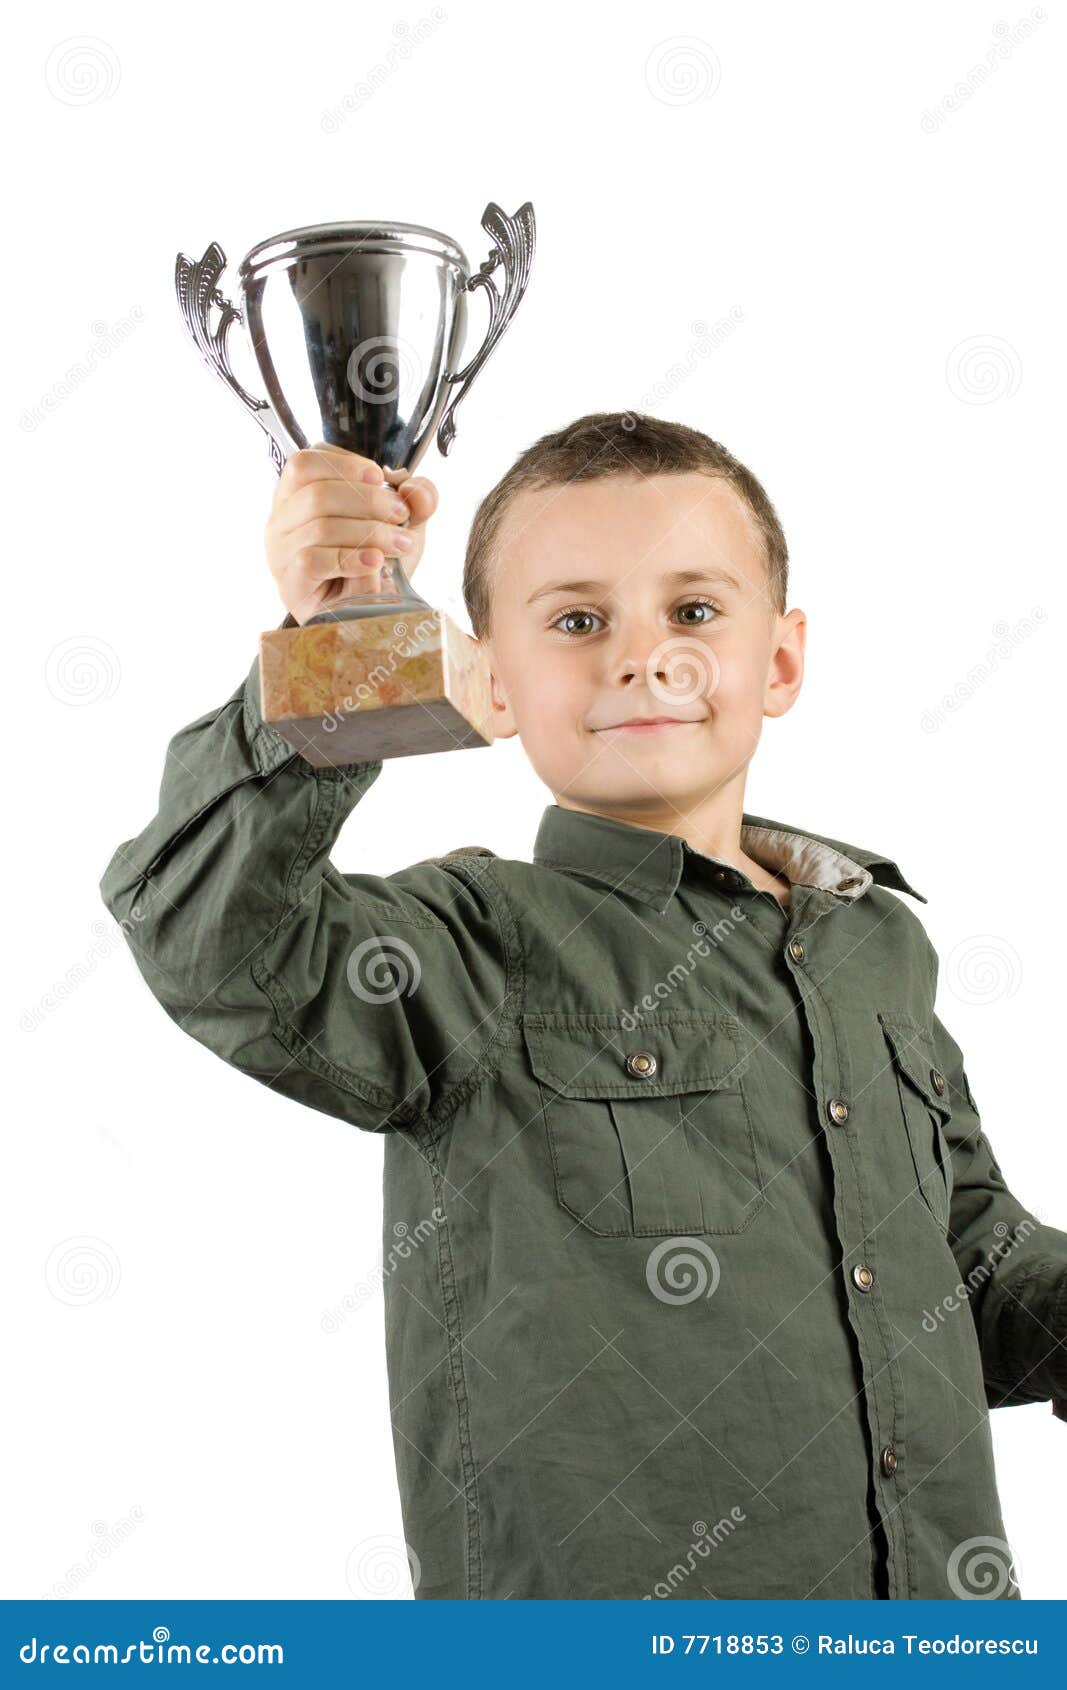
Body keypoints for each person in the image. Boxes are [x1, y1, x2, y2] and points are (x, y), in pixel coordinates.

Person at [99, 411, 1067, 1600]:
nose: (638, 657)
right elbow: (210, 935)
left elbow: (966, 1270)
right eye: (575, 621)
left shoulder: (879, 945)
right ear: (490, 681)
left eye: (694, 612)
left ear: (779, 660)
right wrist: (343, 641)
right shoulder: (470, 941)